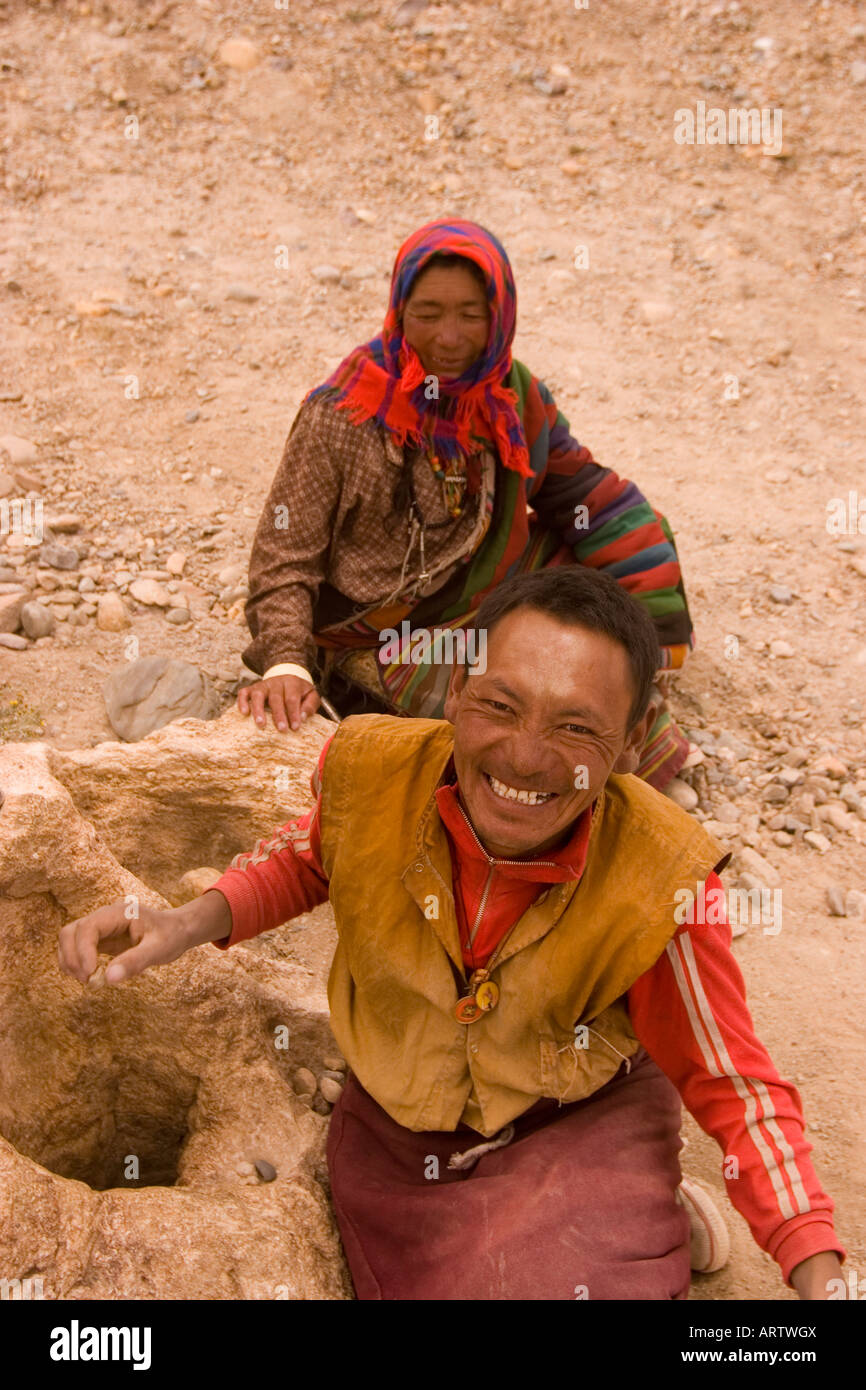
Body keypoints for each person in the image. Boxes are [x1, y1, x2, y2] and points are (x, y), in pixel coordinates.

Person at [58, 568, 845, 1302]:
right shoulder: (372, 773)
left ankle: (643, 1208)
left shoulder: (661, 880)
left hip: (575, 1120)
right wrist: (185, 921)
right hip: (407, 1127)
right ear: (459, 688)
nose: (526, 758)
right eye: (500, 706)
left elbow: (735, 1086)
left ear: (635, 739)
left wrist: (821, 1276)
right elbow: (308, 859)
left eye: (577, 728)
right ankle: (658, 1219)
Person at [237, 217, 693, 790]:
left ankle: (629, 693)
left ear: (498, 317)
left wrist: (652, 628)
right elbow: (284, 559)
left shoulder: (511, 394)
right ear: (400, 312)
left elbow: (581, 491)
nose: (449, 338)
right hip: (387, 631)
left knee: (637, 539)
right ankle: (616, 762)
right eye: (427, 314)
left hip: (482, 587)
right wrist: (286, 661)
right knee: (510, 696)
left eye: (471, 315)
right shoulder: (342, 416)